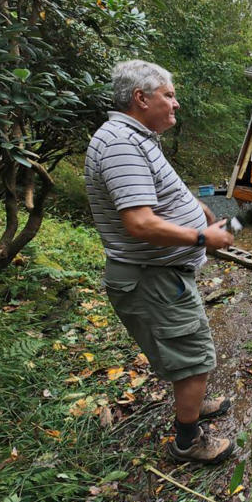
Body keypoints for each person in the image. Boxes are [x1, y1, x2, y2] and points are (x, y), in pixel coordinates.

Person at [84, 60, 235, 464]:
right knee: (194, 358)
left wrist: (197, 206)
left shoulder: (136, 137)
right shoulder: (119, 143)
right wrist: (204, 236)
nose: (176, 103)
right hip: (151, 278)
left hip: (163, 276)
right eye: (168, 94)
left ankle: (193, 402)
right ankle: (188, 442)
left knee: (188, 351)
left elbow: (157, 193)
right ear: (141, 98)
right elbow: (139, 222)